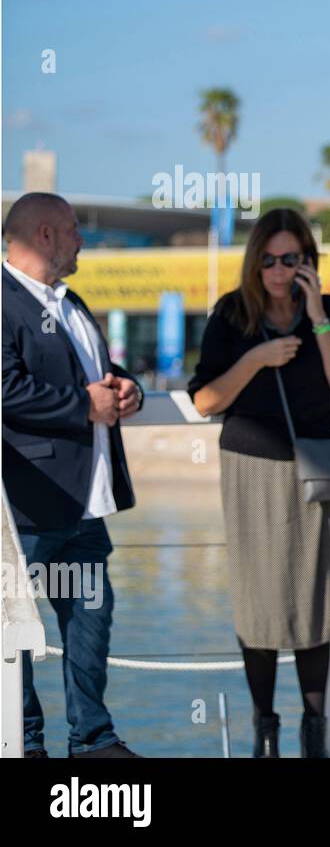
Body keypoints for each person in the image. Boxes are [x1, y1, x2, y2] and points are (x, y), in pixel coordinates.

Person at [187, 208, 330, 757]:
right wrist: (258, 359)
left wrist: (317, 316)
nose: (280, 270)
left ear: (309, 261)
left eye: (292, 259)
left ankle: (315, 730)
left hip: (316, 470)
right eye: (269, 260)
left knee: (317, 600)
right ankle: (265, 727)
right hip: (252, 468)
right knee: (258, 600)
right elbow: (204, 399)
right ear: (254, 262)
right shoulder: (231, 314)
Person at [2, 192, 144, 758]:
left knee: (90, 621)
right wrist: (82, 406)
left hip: (86, 503)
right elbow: (6, 389)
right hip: (27, 504)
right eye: (74, 230)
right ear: (43, 235)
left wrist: (124, 384)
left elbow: (90, 371)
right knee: (13, 627)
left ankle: (93, 742)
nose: (81, 239)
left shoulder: (69, 301)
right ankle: (23, 742)